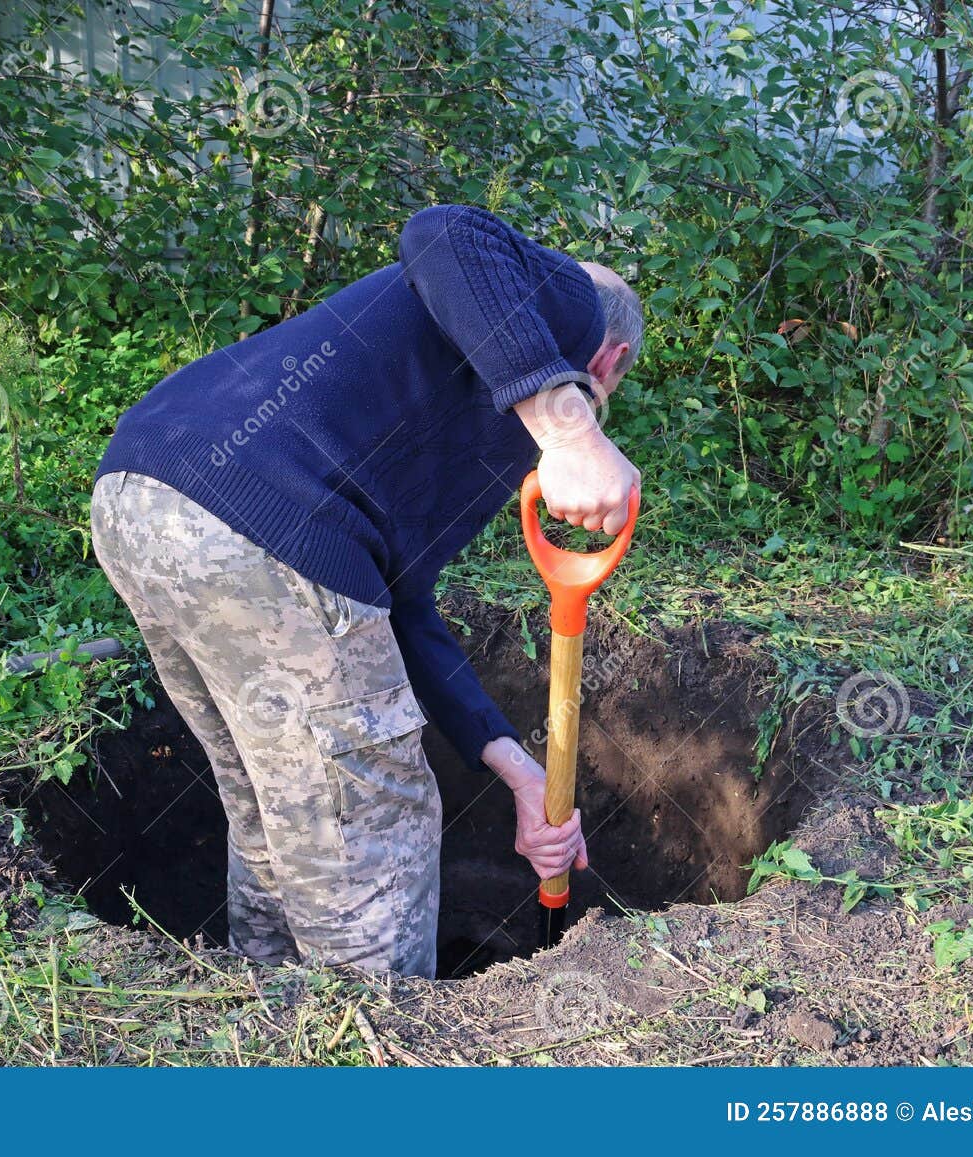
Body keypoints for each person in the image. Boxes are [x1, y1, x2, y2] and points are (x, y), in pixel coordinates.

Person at [91, 204, 642, 977]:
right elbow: (440, 231)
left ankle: (274, 1015)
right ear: (609, 362)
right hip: (263, 522)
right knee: (372, 821)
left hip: (138, 500)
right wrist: (573, 429)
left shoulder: (456, 396)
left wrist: (519, 770)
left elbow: (397, 601)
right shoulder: (568, 309)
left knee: (275, 806)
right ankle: (373, 1044)